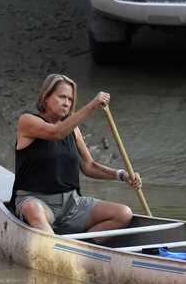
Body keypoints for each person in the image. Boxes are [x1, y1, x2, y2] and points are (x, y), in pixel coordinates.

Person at [12, 73, 143, 235]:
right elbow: (56, 133)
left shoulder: (73, 129)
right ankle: (53, 249)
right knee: (33, 209)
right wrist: (92, 105)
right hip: (36, 200)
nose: (67, 103)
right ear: (45, 97)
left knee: (123, 214)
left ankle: (83, 248)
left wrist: (123, 175)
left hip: (72, 204)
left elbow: (89, 166)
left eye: (70, 100)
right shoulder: (27, 121)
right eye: (62, 97)